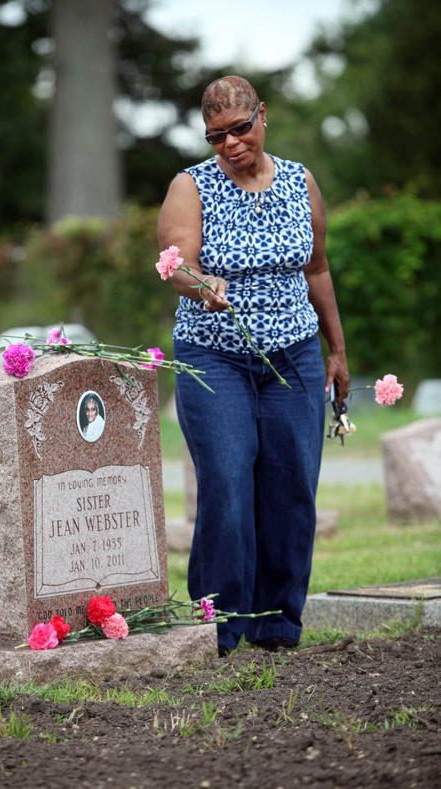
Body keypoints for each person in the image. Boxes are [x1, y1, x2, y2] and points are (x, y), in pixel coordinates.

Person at [158, 75, 349, 657]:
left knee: (293, 487)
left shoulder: (299, 181)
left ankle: (277, 625)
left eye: (240, 129)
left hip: (293, 355)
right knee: (228, 485)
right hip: (215, 357)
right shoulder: (191, 185)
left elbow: (316, 267)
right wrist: (202, 287)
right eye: (217, 137)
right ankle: (217, 628)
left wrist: (337, 350)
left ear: (261, 116)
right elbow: (174, 263)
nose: (231, 145)